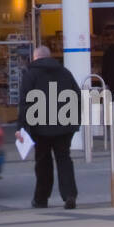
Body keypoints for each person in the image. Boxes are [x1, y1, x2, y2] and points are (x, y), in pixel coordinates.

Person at [16, 45, 81, 209]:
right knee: (64, 159)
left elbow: (25, 103)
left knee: (43, 162)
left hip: (40, 127)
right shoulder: (65, 72)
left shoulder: (31, 75)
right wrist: (74, 121)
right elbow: (77, 96)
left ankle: (41, 198)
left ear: (35, 58)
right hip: (64, 126)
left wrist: (21, 127)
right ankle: (69, 195)